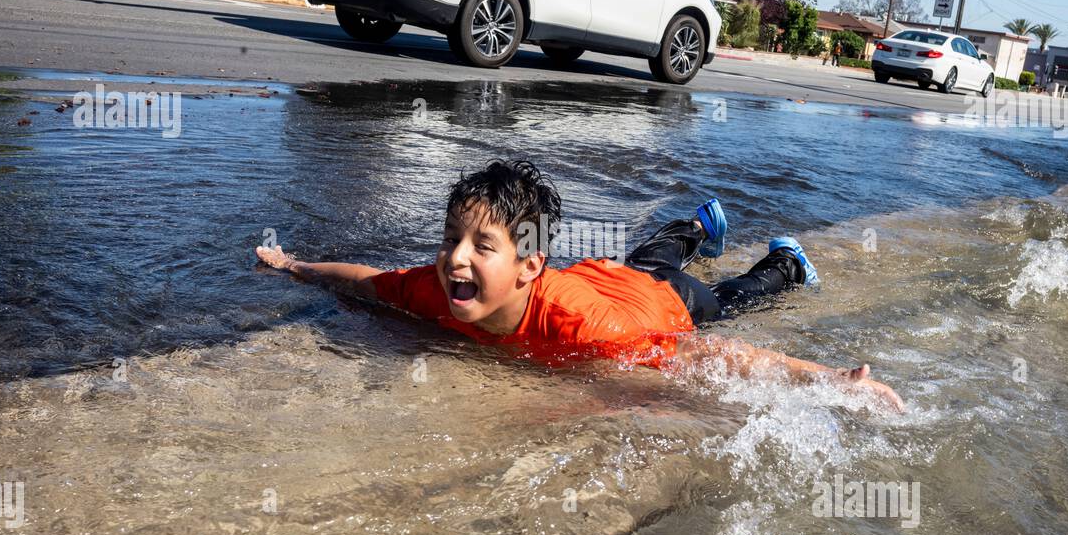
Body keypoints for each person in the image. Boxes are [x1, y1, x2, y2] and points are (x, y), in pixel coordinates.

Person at [255, 160, 903, 410]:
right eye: (451, 238)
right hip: (615, 274)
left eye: (482, 246)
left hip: (661, 303)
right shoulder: (437, 287)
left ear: (529, 265)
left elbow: (709, 356)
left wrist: (825, 378)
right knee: (651, 253)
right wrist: (297, 267)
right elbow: (369, 282)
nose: (455, 259)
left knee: (727, 300)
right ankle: (697, 223)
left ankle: (784, 262)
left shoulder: (587, 331)